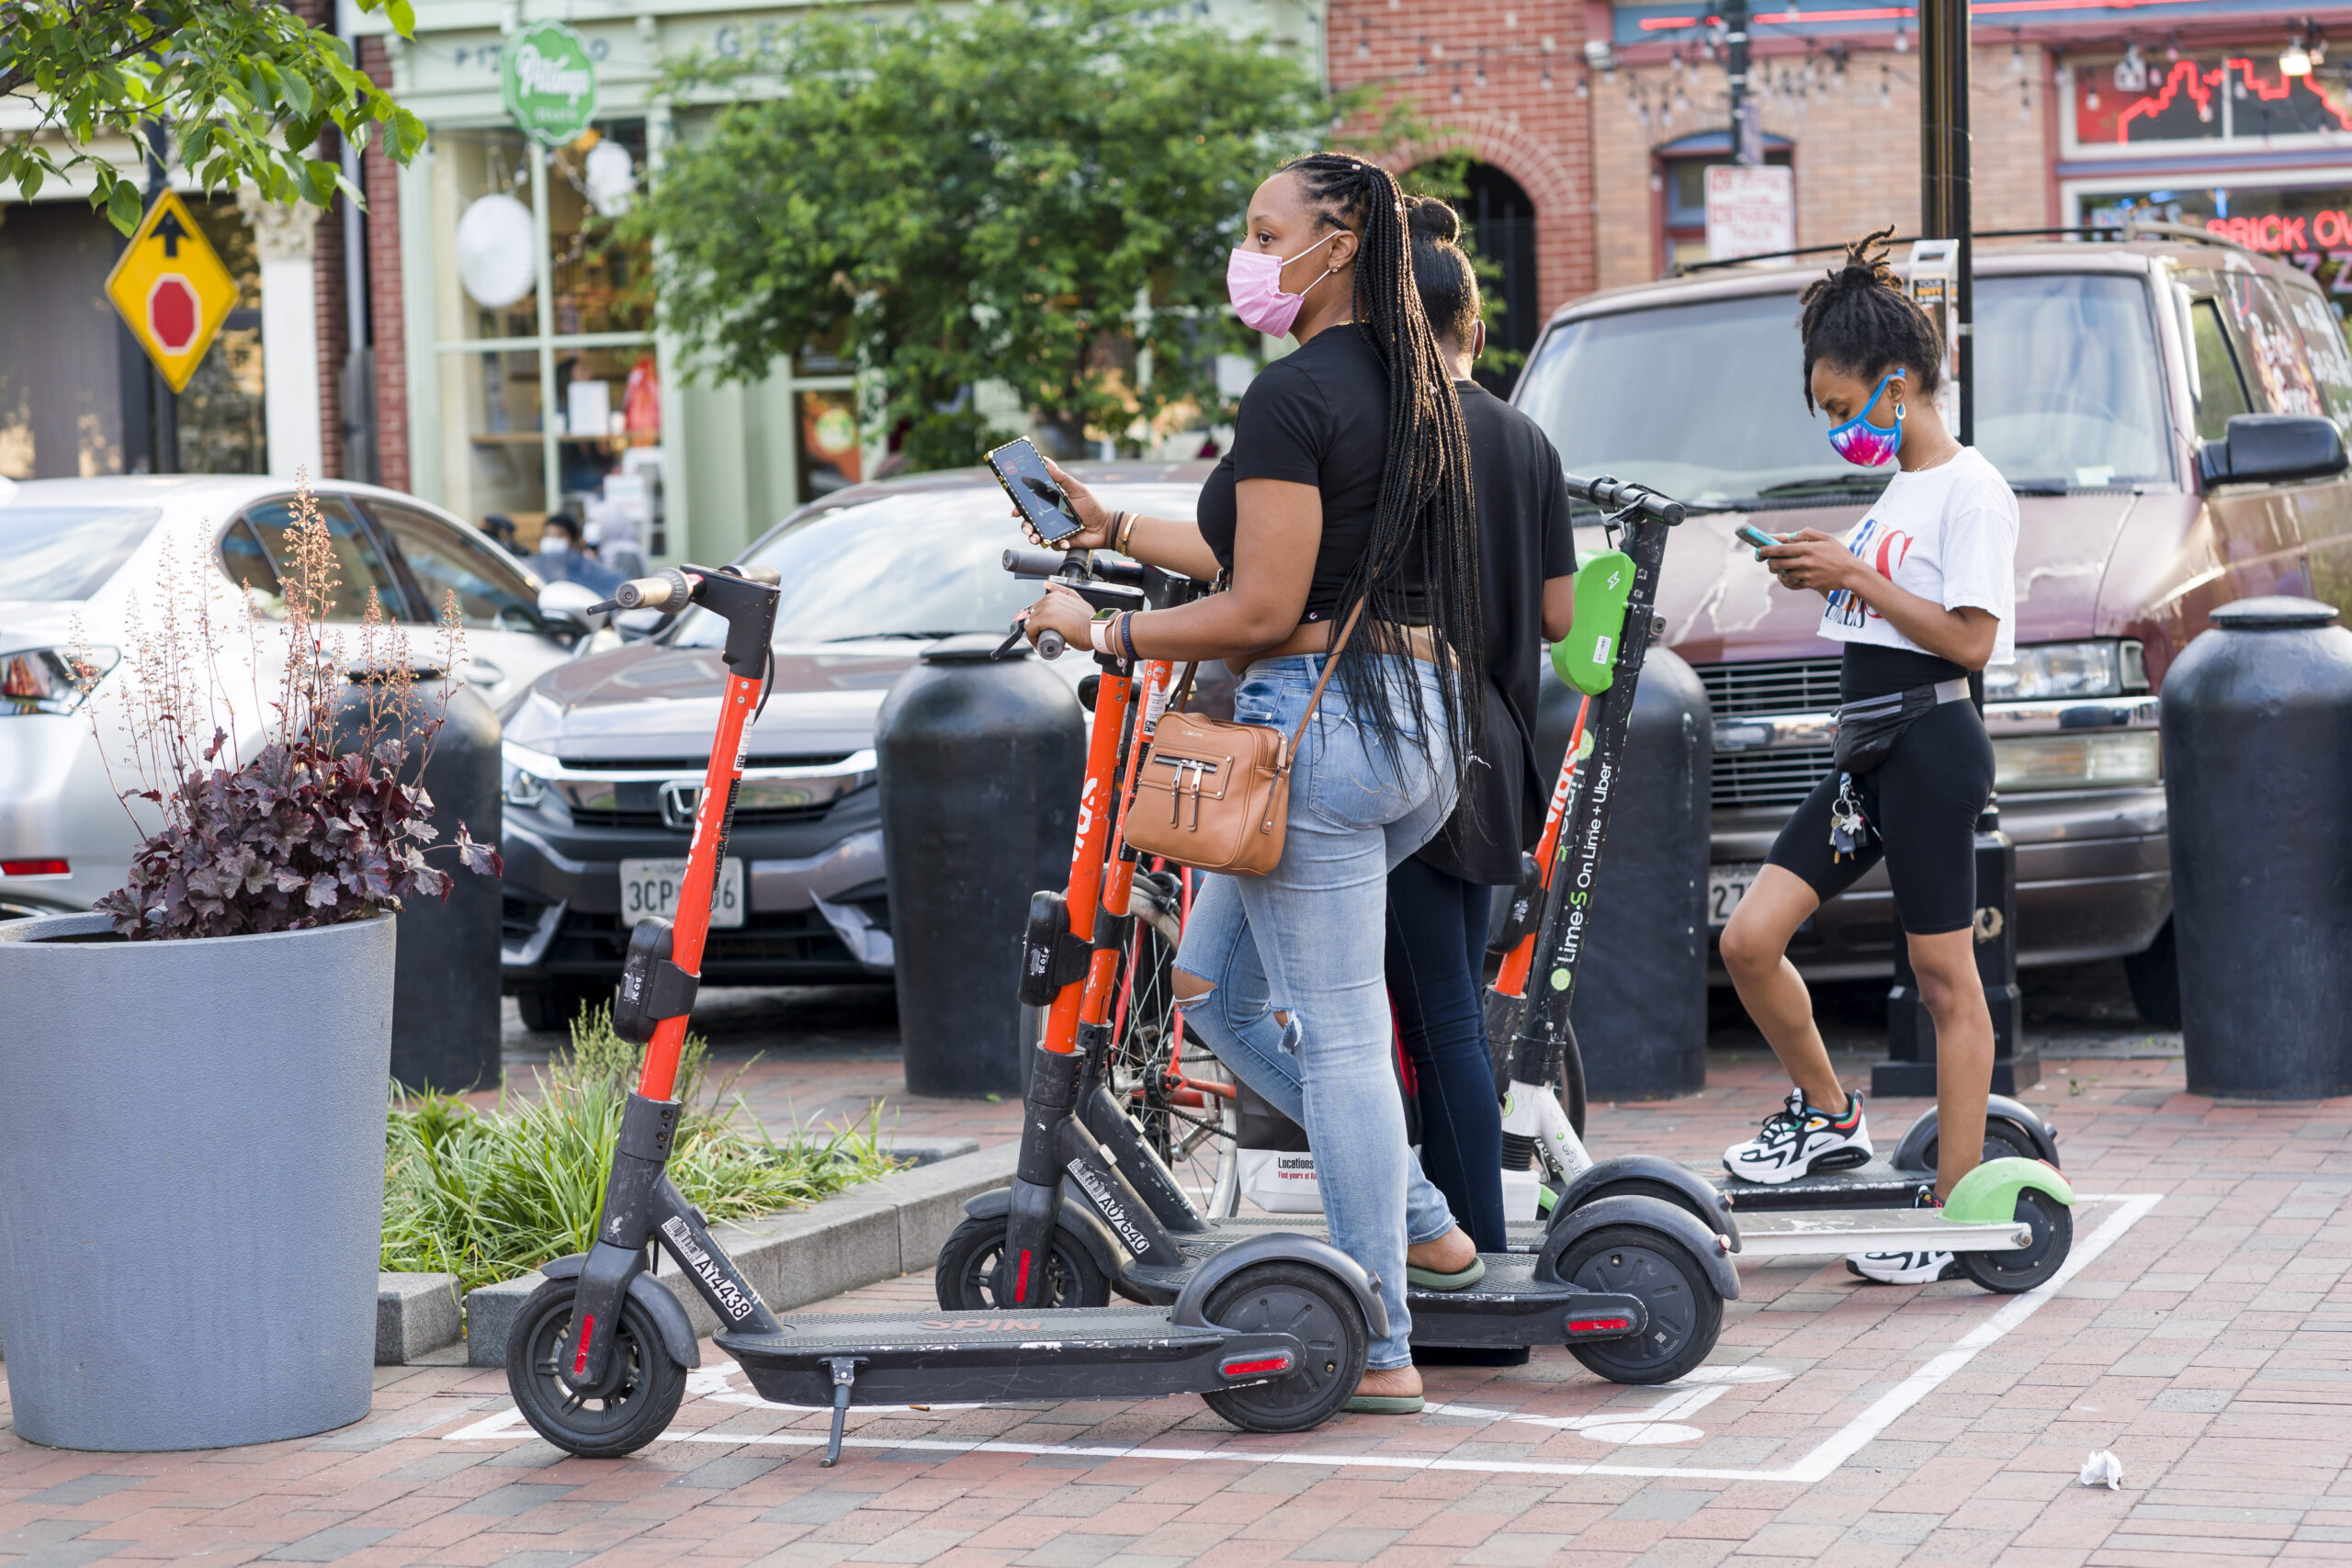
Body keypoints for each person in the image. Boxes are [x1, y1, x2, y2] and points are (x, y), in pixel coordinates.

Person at [1017, 152, 1485, 1413]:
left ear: (1340, 243)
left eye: (1267, 233)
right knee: (1218, 994)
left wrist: (1104, 629)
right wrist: (1113, 527)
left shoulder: (1293, 393)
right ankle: (1425, 1223)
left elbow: (1264, 604)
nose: (1250, 254)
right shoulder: (1417, 385)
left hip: (1310, 735)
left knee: (1340, 1032)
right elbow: (1266, 550)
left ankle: (1379, 1340)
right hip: (1417, 724)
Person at [1717, 228, 2019, 1285]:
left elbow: (1970, 641)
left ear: (1898, 383)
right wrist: (1823, 572)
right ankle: (1831, 1115)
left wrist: (1853, 572)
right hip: (1869, 758)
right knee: (1749, 939)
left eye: (1843, 406)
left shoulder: (1971, 488)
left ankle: (1950, 1211)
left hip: (1931, 746)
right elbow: (1887, 611)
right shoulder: (1901, 489)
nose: (1839, 427)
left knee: (1947, 983)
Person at [1383, 197, 1578, 1256]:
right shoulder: (1526, 438)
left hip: (1406, 742)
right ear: (1477, 329)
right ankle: (1458, 1235)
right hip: (1494, 747)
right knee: (1450, 1004)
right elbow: (1558, 616)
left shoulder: (1394, 439)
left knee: (1436, 1022)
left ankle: (1465, 1242)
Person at [534, 514, 624, 597]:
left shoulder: (586, 568)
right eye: (548, 535)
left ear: (574, 540)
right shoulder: (536, 568)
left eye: (559, 536)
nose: (552, 541)